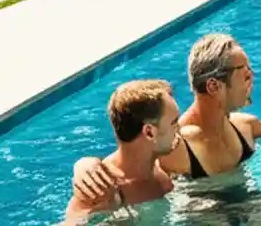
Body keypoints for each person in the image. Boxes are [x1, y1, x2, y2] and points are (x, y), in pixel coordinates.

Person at [72, 34, 261, 202]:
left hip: (245, 211)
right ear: (214, 86)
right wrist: (87, 165)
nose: (252, 78)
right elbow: (131, 158)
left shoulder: (245, 126)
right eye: (244, 73)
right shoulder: (178, 142)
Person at [62, 79, 181, 226]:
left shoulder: (161, 170)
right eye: (174, 123)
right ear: (149, 132)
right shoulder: (101, 191)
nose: (179, 129)